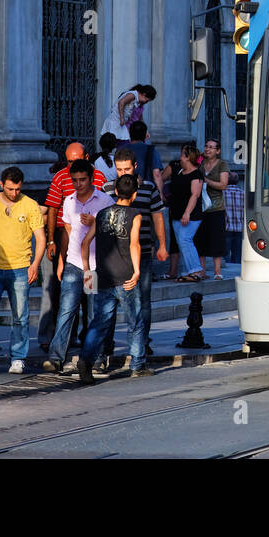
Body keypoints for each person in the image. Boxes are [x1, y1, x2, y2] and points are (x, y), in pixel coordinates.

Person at [99, 148, 167, 373]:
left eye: (126, 169)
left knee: (142, 304)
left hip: (143, 254)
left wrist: (162, 245)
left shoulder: (148, 188)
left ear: (135, 167)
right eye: (119, 169)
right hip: (113, 258)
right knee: (108, 310)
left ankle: (141, 346)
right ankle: (105, 351)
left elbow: (157, 217)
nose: (122, 173)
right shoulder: (108, 188)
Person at [0, 167, 45, 375]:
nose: (14, 193)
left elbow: (40, 237)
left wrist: (35, 264)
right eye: (10, 189)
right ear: (1, 184)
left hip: (21, 267)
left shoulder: (30, 205)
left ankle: (18, 357)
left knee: (20, 315)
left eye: (18, 189)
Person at [42, 161, 111, 374]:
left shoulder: (105, 200)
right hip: (73, 263)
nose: (78, 184)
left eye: (82, 180)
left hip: (93, 267)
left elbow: (112, 233)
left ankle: (95, 357)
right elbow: (68, 231)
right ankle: (55, 357)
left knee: (93, 312)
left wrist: (96, 222)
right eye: (74, 180)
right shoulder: (69, 201)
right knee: (66, 310)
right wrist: (62, 261)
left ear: (91, 179)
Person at [77, 174, 143, 384]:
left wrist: (87, 270)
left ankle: (86, 360)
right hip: (126, 277)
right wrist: (137, 271)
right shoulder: (135, 214)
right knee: (135, 321)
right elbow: (134, 244)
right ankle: (137, 365)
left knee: (99, 323)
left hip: (103, 276)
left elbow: (85, 243)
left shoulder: (102, 214)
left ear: (115, 192)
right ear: (134, 194)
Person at [164, 143, 205, 282]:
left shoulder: (196, 174)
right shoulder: (180, 171)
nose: (180, 158)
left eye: (182, 155)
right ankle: (189, 270)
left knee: (185, 239)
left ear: (188, 158)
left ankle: (197, 270)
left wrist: (187, 213)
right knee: (182, 242)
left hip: (191, 215)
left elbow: (195, 195)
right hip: (176, 212)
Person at [197, 139, 236, 280]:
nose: (208, 149)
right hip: (201, 207)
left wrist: (207, 181)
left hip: (216, 207)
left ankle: (217, 271)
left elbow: (223, 185)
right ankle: (201, 270)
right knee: (201, 239)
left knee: (216, 239)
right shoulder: (200, 163)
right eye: (206, 146)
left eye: (212, 148)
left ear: (218, 151)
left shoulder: (222, 165)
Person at [118, 121, 164, 198]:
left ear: (130, 133)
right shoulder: (151, 150)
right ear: (145, 135)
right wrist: (161, 195)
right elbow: (157, 174)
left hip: (125, 192)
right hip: (145, 192)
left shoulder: (121, 150)